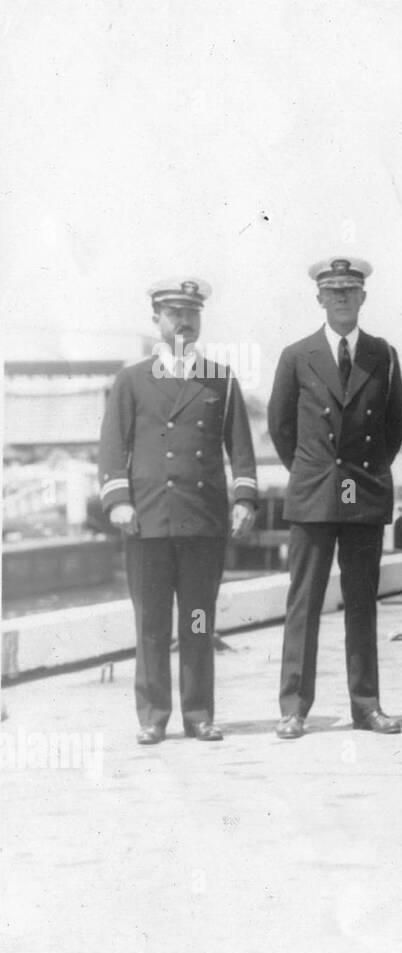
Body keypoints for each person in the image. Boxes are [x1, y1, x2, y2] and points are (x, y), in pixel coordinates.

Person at [98, 277, 257, 744]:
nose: (183, 322)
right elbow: (112, 447)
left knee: (198, 620)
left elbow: (241, 451)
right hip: (147, 519)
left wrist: (244, 499)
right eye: (174, 313)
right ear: (156, 320)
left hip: (202, 521)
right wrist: (118, 501)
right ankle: (152, 716)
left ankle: (199, 713)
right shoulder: (130, 380)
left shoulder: (220, 379)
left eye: (191, 313)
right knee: (150, 622)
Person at [268, 257, 402, 738]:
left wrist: (359, 474)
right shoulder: (296, 355)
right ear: (319, 298)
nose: (342, 298)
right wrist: (315, 472)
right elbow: (281, 427)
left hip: (363, 493)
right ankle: (294, 707)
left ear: (363, 297)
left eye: (350, 290)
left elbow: (394, 425)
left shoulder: (382, 354)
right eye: (333, 290)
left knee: (362, 601)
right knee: (303, 603)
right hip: (313, 495)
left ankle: (366, 705)